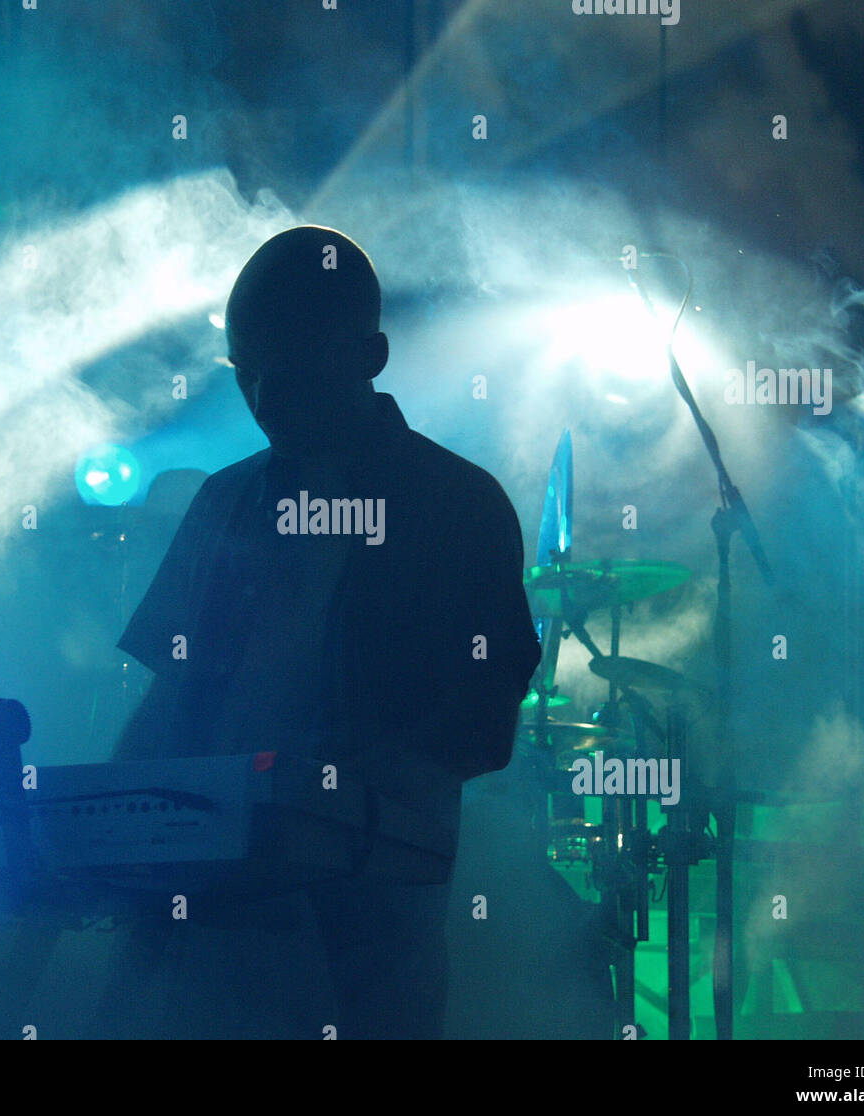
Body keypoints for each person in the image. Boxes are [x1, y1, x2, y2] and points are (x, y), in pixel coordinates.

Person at [106, 225, 541, 1039]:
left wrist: (313, 802)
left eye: (291, 370)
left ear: (369, 356)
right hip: (219, 931)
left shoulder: (457, 507)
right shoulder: (223, 503)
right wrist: (110, 826)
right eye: (247, 375)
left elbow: (483, 729)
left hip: (369, 940)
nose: (266, 400)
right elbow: (173, 699)